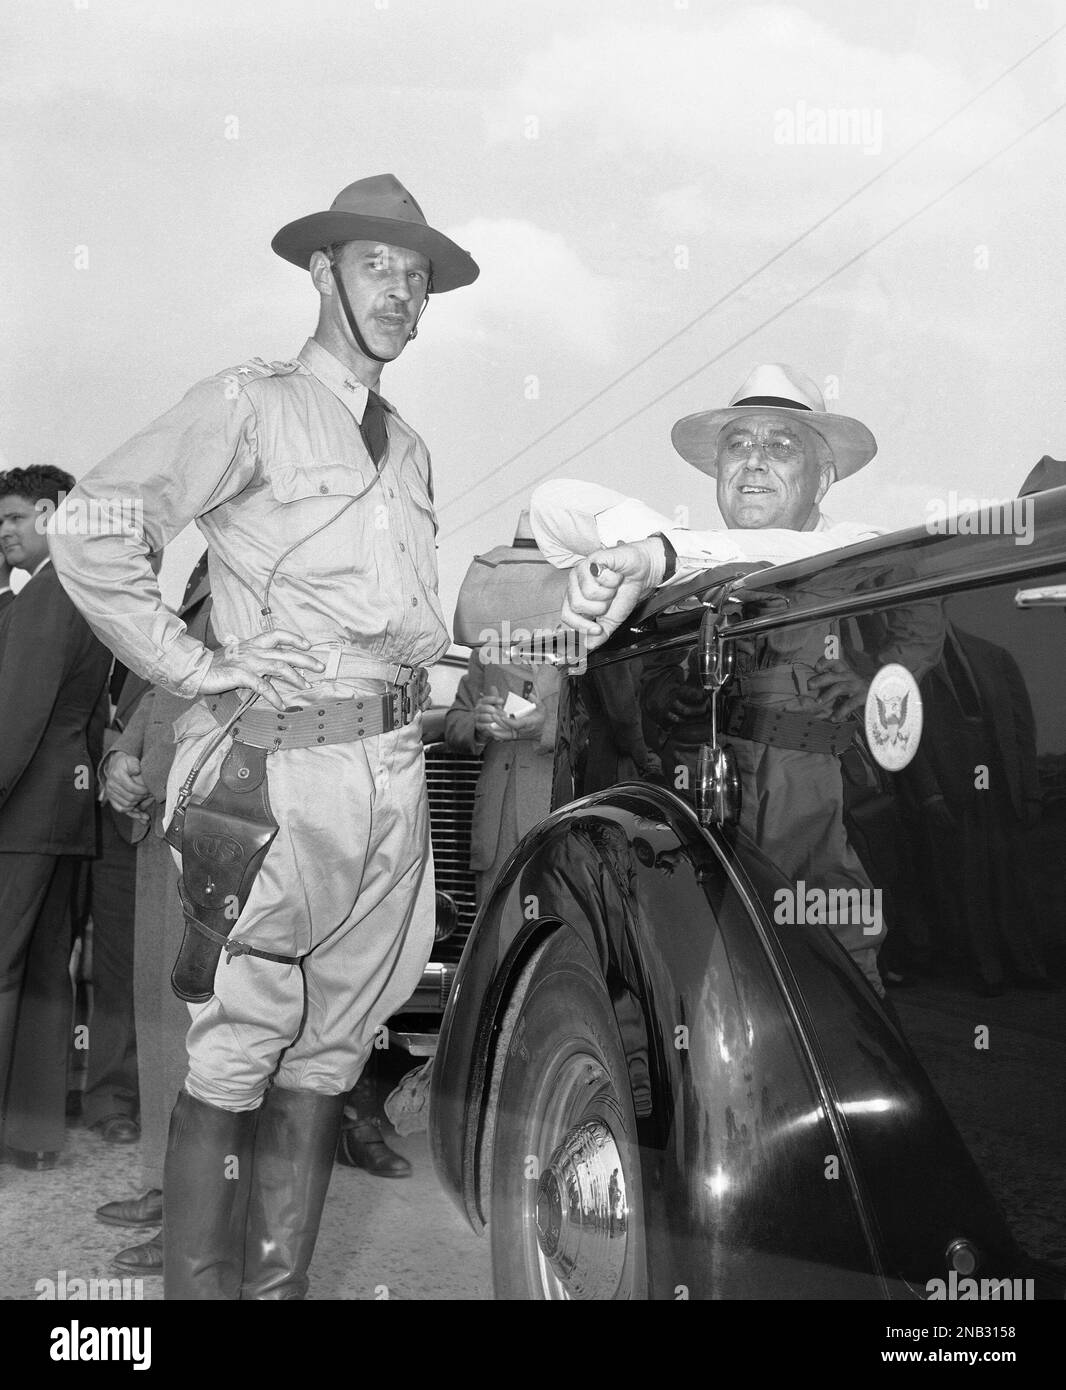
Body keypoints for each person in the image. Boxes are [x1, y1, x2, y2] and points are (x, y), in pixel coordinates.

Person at [48, 173, 479, 1299]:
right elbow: (93, 525)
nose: (401, 290)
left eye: (417, 273)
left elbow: (397, 619)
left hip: (388, 777)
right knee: (234, 1051)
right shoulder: (252, 401)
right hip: (276, 777)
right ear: (321, 270)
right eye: (376, 265)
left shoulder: (414, 450)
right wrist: (195, 665)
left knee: (331, 1052)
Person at [530, 364, 940, 996]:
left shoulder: (859, 547)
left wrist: (873, 677)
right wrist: (650, 544)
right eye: (738, 446)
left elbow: (919, 616)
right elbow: (551, 504)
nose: (754, 462)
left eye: (780, 447)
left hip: (816, 784)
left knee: (836, 959)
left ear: (823, 477)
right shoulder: (687, 550)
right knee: (704, 967)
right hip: (706, 781)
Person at [0, 466, 112, 1166]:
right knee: (45, 974)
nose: (3, 533)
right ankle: (34, 1136)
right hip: (65, 815)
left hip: (22, 813)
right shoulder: (89, 586)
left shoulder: (46, 593)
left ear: (48, 512)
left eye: (11, 519)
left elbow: (15, 718)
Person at [445, 513, 561, 904]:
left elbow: (610, 726)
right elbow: (454, 721)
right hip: (494, 834)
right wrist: (476, 724)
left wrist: (547, 727)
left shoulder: (587, 639)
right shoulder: (487, 646)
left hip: (556, 819)